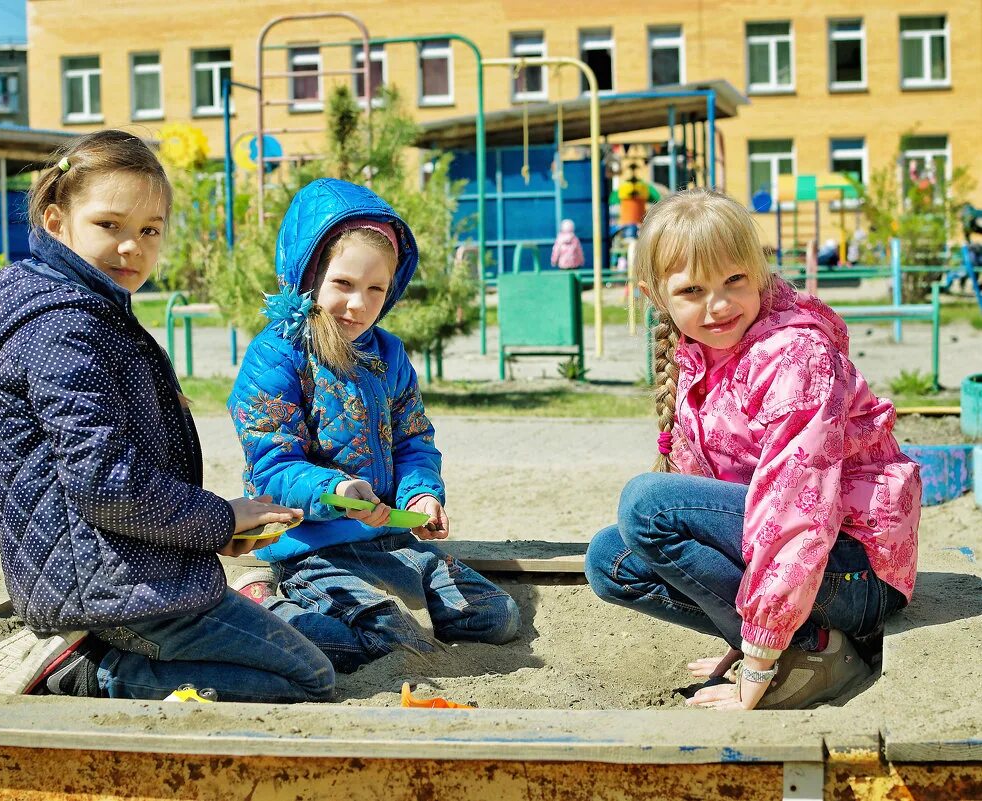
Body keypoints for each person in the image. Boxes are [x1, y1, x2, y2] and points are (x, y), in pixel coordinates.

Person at [0, 130, 334, 703]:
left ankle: (98, 656)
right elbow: (107, 483)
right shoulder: (63, 329)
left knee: (305, 670)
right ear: (56, 222)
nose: (131, 247)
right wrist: (217, 518)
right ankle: (85, 674)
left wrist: (208, 536)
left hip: (130, 567)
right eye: (109, 225)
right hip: (106, 587)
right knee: (306, 680)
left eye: (149, 230)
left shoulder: (94, 312)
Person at [584, 188, 919, 711]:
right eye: (693, 290)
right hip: (812, 563)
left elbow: (794, 514)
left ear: (759, 272)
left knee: (647, 505)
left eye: (734, 281)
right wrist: (734, 638)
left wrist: (759, 658)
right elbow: (725, 504)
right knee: (611, 558)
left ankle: (811, 651)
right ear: (656, 297)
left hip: (856, 570)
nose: (718, 305)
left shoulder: (795, 359)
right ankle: (780, 635)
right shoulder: (699, 356)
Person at [227, 177, 520, 673]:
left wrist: (420, 496)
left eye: (375, 289)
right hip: (314, 549)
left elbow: (413, 440)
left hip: (392, 542)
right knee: (389, 641)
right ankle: (262, 603)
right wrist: (338, 487)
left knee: (495, 617)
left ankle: (386, 608)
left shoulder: (387, 353)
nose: (358, 304)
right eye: (342, 284)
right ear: (309, 275)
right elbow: (274, 469)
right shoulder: (276, 355)